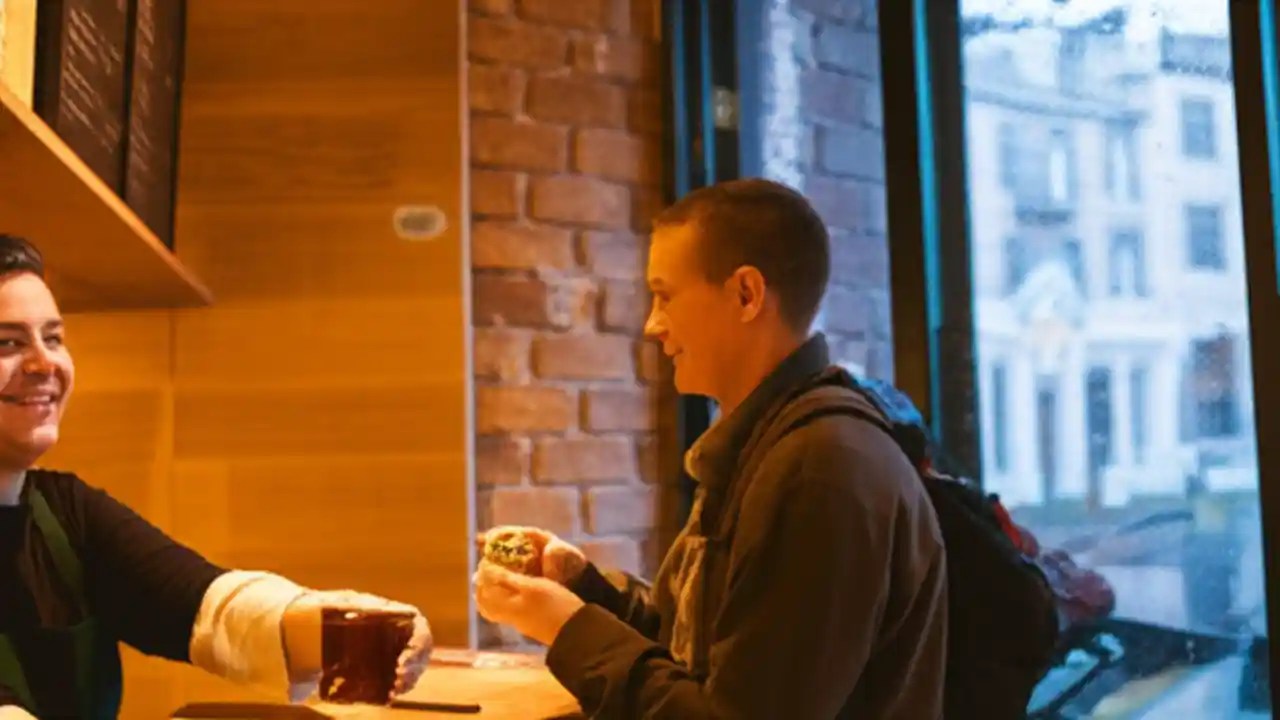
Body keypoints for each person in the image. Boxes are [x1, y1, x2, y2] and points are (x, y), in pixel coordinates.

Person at [473, 178, 948, 718]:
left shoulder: (819, 467)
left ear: (746, 294)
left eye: (664, 295)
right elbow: (704, 650)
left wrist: (567, 629)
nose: (652, 326)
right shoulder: (771, 445)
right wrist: (583, 588)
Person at [0, 235, 432, 719]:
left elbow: (213, 608)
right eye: (9, 343)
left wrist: (355, 624)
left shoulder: (66, 514)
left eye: (53, 338)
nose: (44, 364)